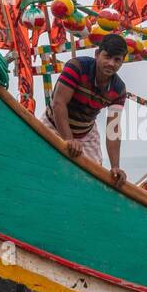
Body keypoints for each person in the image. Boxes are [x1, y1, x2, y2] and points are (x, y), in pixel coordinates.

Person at [43, 32, 128, 185]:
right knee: (45, 167)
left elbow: (113, 129)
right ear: (97, 54)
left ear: (122, 62)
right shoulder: (77, 67)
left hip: (86, 132)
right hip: (53, 124)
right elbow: (58, 104)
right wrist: (68, 140)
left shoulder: (119, 89)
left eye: (117, 60)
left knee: (93, 177)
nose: (111, 63)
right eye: (107, 57)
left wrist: (116, 166)